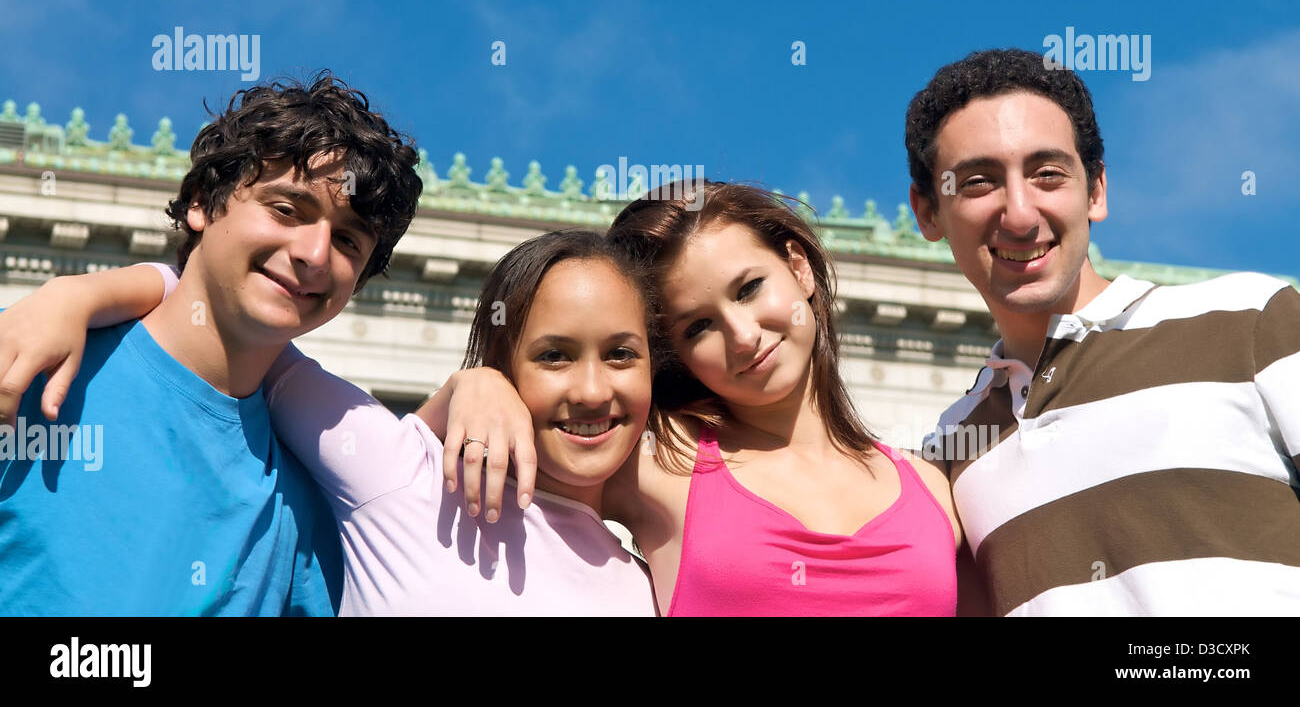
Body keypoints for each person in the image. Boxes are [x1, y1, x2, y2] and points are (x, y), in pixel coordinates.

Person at [1, 231, 658, 615]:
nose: (592, 389)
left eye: (622, 352)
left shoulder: (641, 584)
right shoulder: (398, 472)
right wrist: (75, 293)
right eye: (553, 355)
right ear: (505, 362)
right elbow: (228, 314)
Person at [432, 181, 963, 616]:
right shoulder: (657, 458)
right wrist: (476, 384)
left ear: (799, 268)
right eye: (698, 326)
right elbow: (417, 480)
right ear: (675, 355)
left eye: (749, 288)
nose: (743, 335)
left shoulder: (933, 490)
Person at [0, 73, 423, 615]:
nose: (315, 253)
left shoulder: (311, 508)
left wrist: (482, 387)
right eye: (287, 210)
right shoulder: (29, 356)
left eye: (347, 240)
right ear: (201, 202)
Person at [905, 47, 1300, 615]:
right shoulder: (947, 454)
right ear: (927, 213)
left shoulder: (1249, 318)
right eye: (977, 182)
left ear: (1096, 191)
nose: (1019, 213)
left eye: (1047, 175)